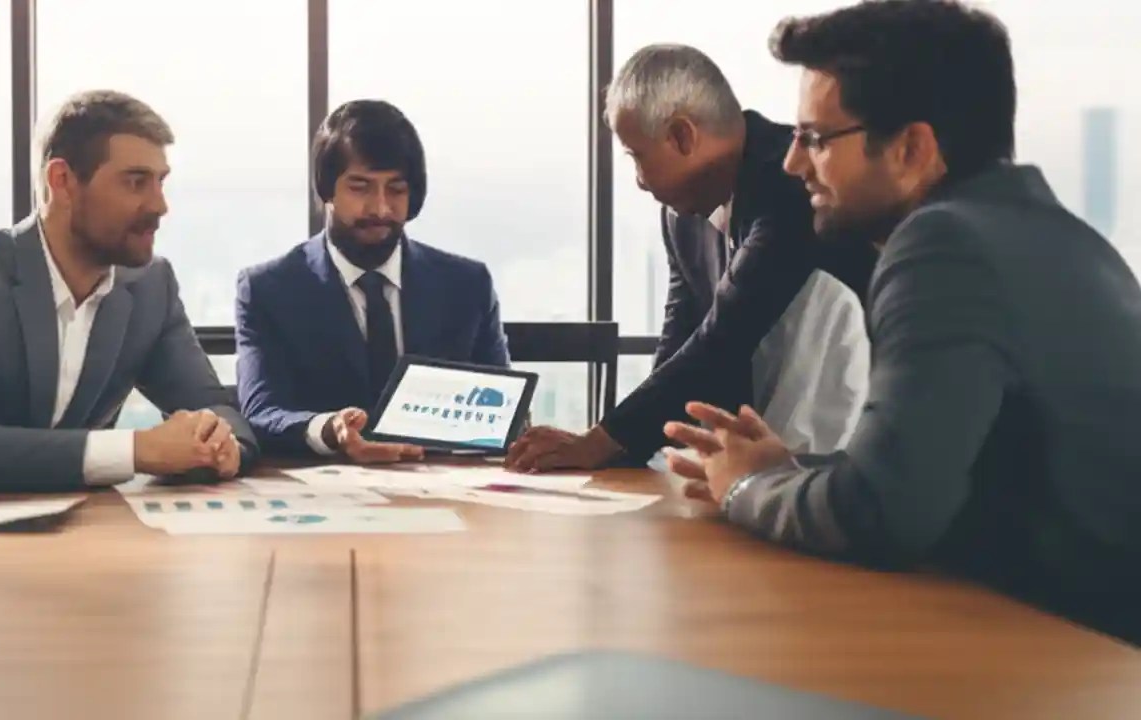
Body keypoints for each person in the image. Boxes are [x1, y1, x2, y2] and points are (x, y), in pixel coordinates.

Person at [665, 0, 1141, 645]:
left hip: (1056, 654)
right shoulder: (1067, 241)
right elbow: (931, 470)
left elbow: (881, 514)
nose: (792, 164)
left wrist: (746, 485)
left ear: (912, 147)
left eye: (815, 138)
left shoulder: (942, 246)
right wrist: (793, 470)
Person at [0, 90, 259, 501]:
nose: (159, 205)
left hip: (77, 534)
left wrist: (221, 442)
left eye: (161, 182)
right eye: (135, 182)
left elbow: (214, 408)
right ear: (62, 182)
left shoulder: (150, 285)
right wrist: (133, 451)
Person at [507, 44, 874, 472]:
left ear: (682, 135)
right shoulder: (682, 214)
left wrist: (597, 443)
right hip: (750, 460)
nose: (640, 182)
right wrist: (638, 449)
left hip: (842, 449)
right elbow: (680, 337)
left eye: (637, 156)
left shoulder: (791, 184)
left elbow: (723, 336)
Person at [236, 100, 509, 463]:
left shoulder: (466, 285)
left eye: (395, 190)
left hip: (446, 488)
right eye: (361, 187)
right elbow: (261, 411)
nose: (380, 209)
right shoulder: (269, 289)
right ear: (326, 189)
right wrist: (330, 430)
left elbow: (501, 412)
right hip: (326, 496)